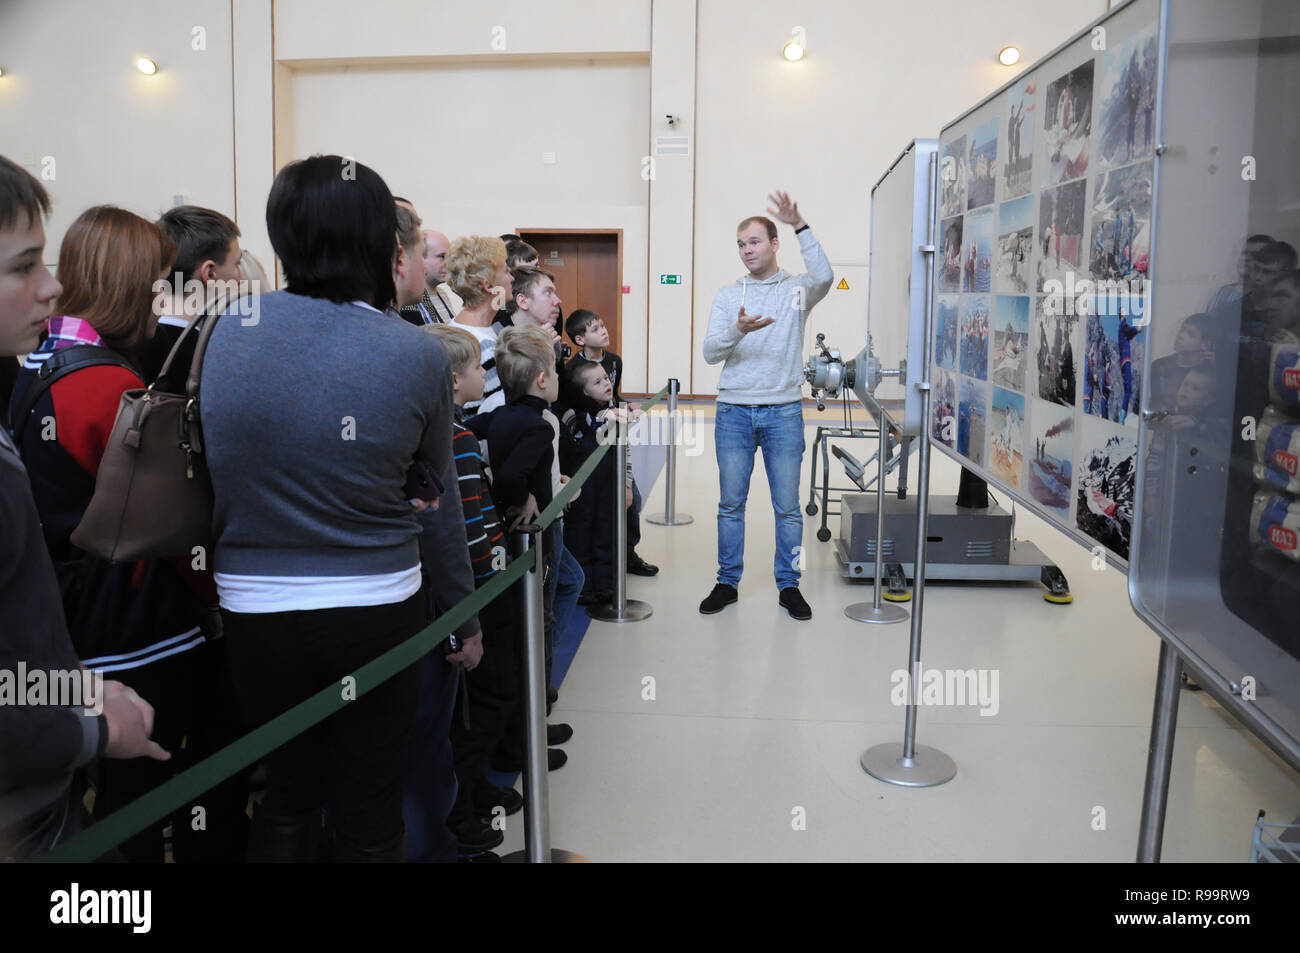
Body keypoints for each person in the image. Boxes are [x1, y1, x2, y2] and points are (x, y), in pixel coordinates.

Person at [201, 155, 458, 862]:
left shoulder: (227, 328)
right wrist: (462, 608)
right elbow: (434, 495)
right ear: (384, 242)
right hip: (375, 599)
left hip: (254, 603)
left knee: (286, 791)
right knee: (371, 795)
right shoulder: (415, 352)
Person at [9, 204, 252, 862]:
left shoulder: (44, 359)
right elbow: (169, 523)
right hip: (141, 630)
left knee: (127, 806)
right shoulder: (107, 384)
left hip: (77, 621)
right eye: (155, 280)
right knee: (176, 799)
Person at [0, 155, 172, 860]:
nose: (52, 288)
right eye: (22, 266)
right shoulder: (104, 386)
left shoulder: (38, 366)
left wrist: (71, 689)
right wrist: (92, 726)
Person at [700, 192, 833, 620]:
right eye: (741, 245)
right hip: (734, 411)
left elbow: (826, 274)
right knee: (730, 504)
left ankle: (789, 585)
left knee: (788, 507)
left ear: (774, 244)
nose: (746, 251)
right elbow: (710, 353)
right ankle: (727, 582)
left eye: (754, 242)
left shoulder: (797, 290)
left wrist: (801, 225)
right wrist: (736, 331)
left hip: (783, 412)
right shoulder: (727, 296)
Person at [421, 323, 524, 860]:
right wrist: (488, 583)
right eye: (475, 368)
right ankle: (461, 808)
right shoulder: (454, 439)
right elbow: (466, 530)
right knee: (481, 702)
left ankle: (477, 785)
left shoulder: (460, 430)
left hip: (485, 584)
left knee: (488, 698)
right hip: (482, 589)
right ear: (453, 378)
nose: (484, 373)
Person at [472, 324, 570, 771]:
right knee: (532, 629)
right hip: (533, 540)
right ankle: (520, 740)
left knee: (524, 632)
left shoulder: (497, 416)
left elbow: (467, 429)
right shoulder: (537, 427)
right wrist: (522, 497)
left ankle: (527, 725)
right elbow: (513, 474)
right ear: (543, 379)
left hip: (509, 541)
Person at [140, 205, 243, 383]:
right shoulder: (212, 361)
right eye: (237, 264)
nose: (241, 278)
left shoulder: (130, 345)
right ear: (210, 273)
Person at [560, 361, 633, 603]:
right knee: (580, 534)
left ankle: (606, 585)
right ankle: (585, 586)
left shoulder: (617, 410)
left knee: (606, 531)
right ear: (583, 392)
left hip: (609, 483)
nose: (606, 384)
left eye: (606, 378)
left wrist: (627, 483)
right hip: (583, 487)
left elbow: (625, 450)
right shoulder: (575, 417)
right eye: (597, 382)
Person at [447, 235, 513, 413]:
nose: (512, 278)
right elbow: (497, 413)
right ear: (489, 286)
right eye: (506, 271)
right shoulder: (483, 346)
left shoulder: (457, 326)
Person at [420, 229, 461, 323]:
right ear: (420, 258)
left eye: (449, 257)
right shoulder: (413, 302)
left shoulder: (442, 294)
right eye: (442, 256)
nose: (448, 263)